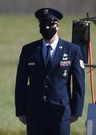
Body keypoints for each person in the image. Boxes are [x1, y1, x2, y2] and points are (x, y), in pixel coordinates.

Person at [14, 7, 85, 135]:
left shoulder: (72, 50)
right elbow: (21, 82)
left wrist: (76, 111)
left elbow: (79, 83)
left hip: (61, 112)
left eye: (50, 24)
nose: (47, 28)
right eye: (43, 24)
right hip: (35, 112)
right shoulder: (29, 50)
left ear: (57, 26)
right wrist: (21, 111)